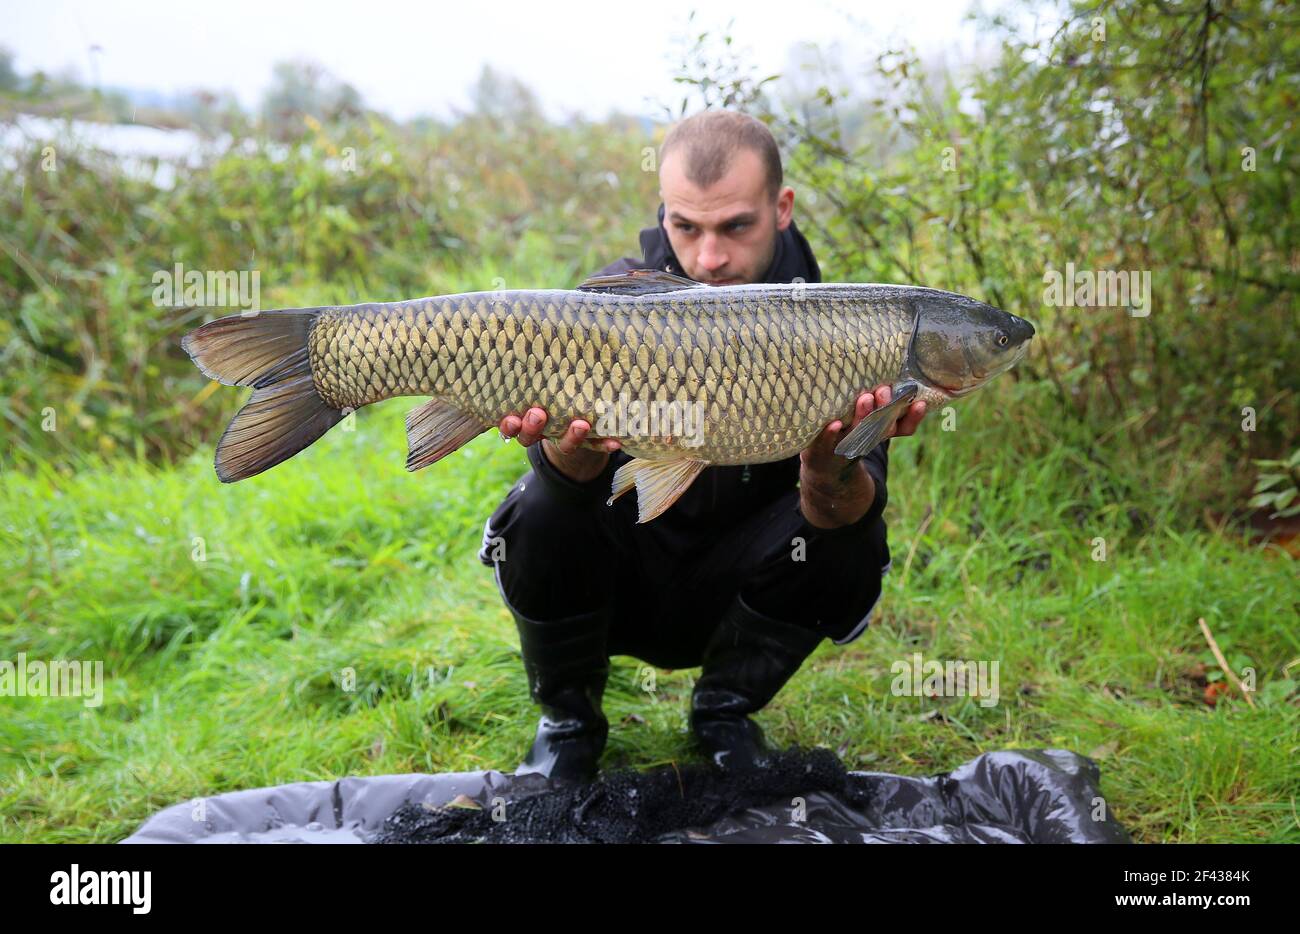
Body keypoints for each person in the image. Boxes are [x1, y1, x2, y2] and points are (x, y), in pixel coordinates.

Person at [478, 110, 927, 783]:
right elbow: (563, 482)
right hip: (625, 572)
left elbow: (845, 512)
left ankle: (725, 711)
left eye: (734, 227)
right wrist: (572, 459)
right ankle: (568, 720)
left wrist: (826, 473)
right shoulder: (607, 301)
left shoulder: (851, 328)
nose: (709, 259)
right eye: (685, 227)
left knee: (851, 534)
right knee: (538, 508)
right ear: (664, 211)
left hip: (743, 585)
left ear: (781, 209)